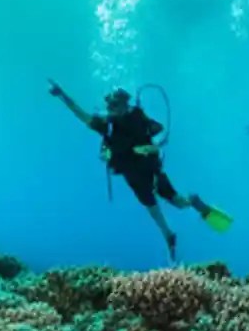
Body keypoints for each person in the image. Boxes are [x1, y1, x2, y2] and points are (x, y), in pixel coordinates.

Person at [48, 79, 231, 261]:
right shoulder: (107, 124)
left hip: (150, 171)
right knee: (154, 210)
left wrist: (148, 148)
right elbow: (81, 114)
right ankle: (170, 234)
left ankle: (191, 206)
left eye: (115, 104)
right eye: (109, 105)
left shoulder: (138, 118)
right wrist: (62, 95)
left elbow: (159, 140)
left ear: (124, 104)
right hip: (134, 176)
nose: (111, 108)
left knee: (175, 204)